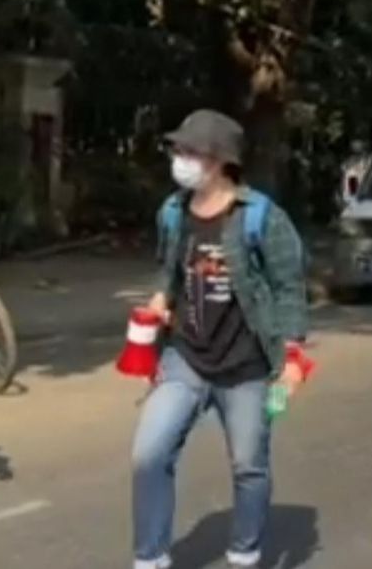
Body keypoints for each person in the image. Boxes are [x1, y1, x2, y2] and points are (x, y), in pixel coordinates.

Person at [133, 110, 310, 569]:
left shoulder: (261, 218)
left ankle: (245, 552)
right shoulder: (172, 213)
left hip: (248, 366)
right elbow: (168, 271)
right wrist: (158, 300)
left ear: (219, 161)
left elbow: (289, 285)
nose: (180, 160)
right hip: (185, 357)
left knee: (249, 466)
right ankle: (149, 558)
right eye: (178, 150)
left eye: (190, 152)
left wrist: (292, 355)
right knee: (148, 454)